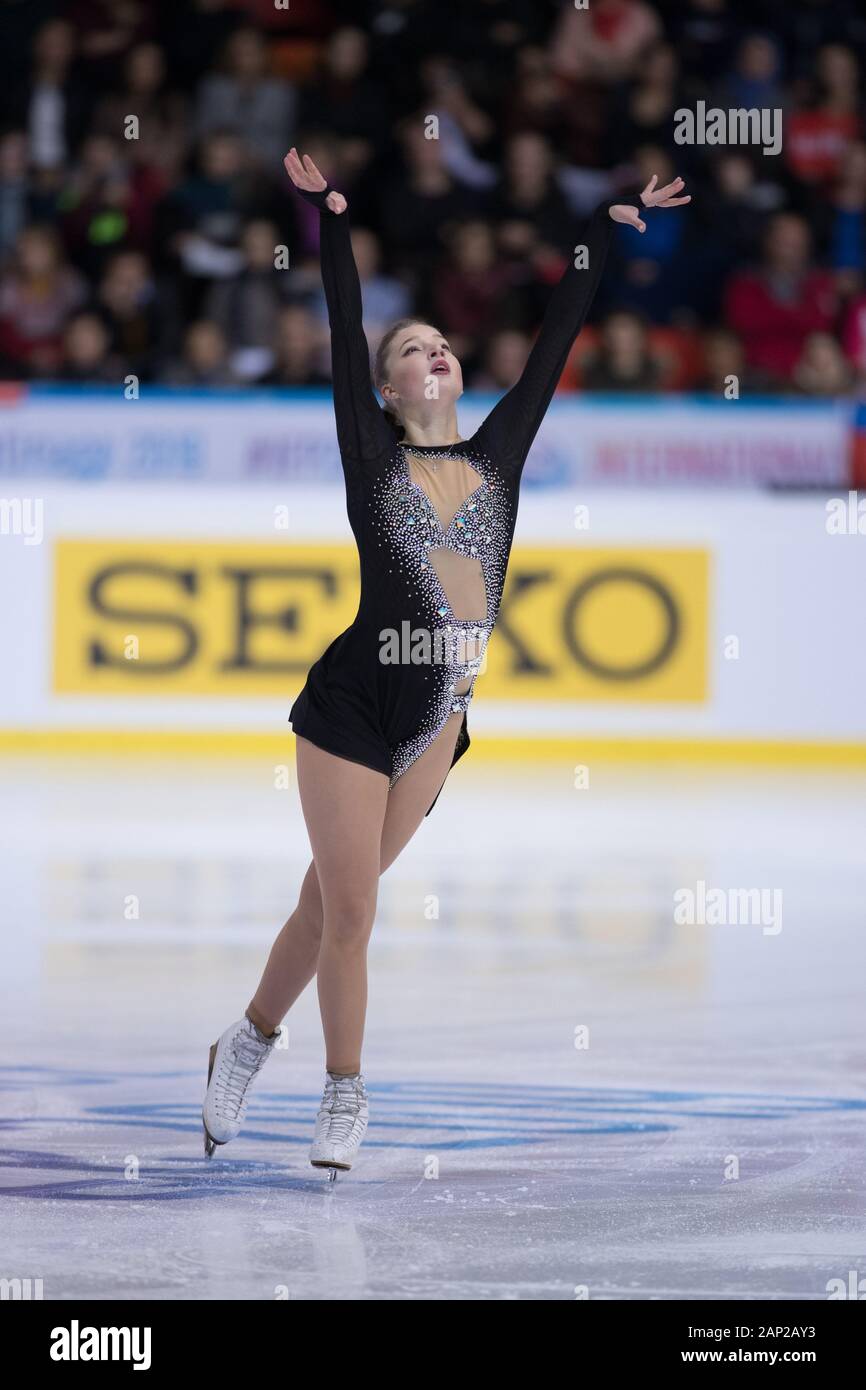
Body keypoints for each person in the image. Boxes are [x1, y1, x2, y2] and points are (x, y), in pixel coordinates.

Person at [201, 146, 690, 1179]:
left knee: (327, 905)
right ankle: (341, 1089)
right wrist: (331, 215)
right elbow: (341, 327)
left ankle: (243, 1037)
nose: (433, 355)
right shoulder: (371, 454)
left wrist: (602, 227)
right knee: (354, 914)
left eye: (441, 346)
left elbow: (558, 335)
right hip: (350, 703)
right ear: (383, 389)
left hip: (437, 720)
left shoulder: (497, 455)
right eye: (411, 349)